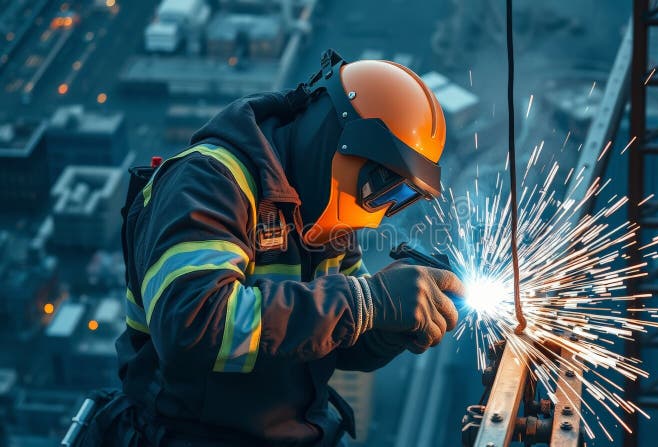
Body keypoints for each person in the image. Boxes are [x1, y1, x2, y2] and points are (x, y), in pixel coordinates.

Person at [101, 50, 464, 446]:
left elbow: (339, 335)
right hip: (187, 434)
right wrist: (367, 301)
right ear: (344, 144)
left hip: (298, 432)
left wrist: (395, 324)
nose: (381, 212)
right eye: (387, 189)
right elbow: (193, 327)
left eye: (404, 196)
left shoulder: (323, 209)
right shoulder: (210, 181)